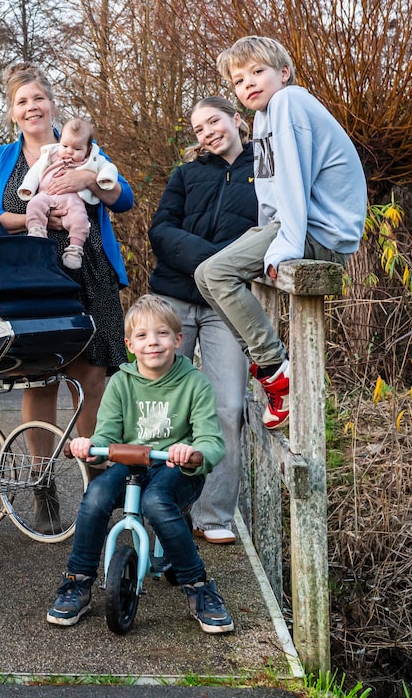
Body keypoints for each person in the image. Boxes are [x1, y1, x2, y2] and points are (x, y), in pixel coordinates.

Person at [0, 62, 134, 535]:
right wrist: (34, 219)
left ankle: (96, 491)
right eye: (22, 101)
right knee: (37, 377)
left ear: (52, 103)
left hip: (88, 274)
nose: (32, 108)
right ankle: (41, 483)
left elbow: (122, 199)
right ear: (12, 112)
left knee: (89, 377)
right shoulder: (0, 159)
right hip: (29, 276)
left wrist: (87, 180)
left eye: (38, 98)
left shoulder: (83, 146)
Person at [195, 36, 366, 430]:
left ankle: (275, 369)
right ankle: (270, 368)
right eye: (239, 80)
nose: (248, 84)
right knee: (207, 274)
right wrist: (265, 233)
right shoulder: (265, 116)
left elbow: (293, 181)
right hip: (296, 226)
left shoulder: (289, 103)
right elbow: (270, 188)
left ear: (283, 73)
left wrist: (284, 245)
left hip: (320, 234)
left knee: (217, 273)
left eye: (258, 72)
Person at [45, 294, 233, 634]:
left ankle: (199, 587)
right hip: (130, 463)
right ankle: (78, 580)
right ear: (129, 344)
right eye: (143, 336)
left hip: (177, 469)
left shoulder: (195, 384)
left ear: (178, 340)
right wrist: (89, 446)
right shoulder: (121, 384)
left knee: (156, 502)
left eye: (162, 334)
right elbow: (105, 436)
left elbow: (211, 440)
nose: (153, 343)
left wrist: (193, 453)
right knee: (97, 495)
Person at [148, 96, 257, 545]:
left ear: (236, 119)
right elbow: (161, 230)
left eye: (213, 121)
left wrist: (225, 271)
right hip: (171, 299)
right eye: (198, 128)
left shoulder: (265, 171)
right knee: (158, 406)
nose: (207, 132)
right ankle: (159, 504)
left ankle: (213, 514)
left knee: (226, 408)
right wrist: (215, 261)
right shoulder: (186, 174)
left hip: (224, 307)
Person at [17, 117, 119, 270]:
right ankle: (37, 231)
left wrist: (102, 179)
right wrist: (28, 187)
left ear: (88, 149)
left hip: (74, 201)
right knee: (34, 204)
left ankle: (75, 250)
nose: (69, 151)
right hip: (48, 193)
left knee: (80, 221)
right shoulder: (50, 154)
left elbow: (110, 170)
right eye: (65, 146)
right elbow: (35, 172)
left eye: (77, 149)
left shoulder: (94, 159)